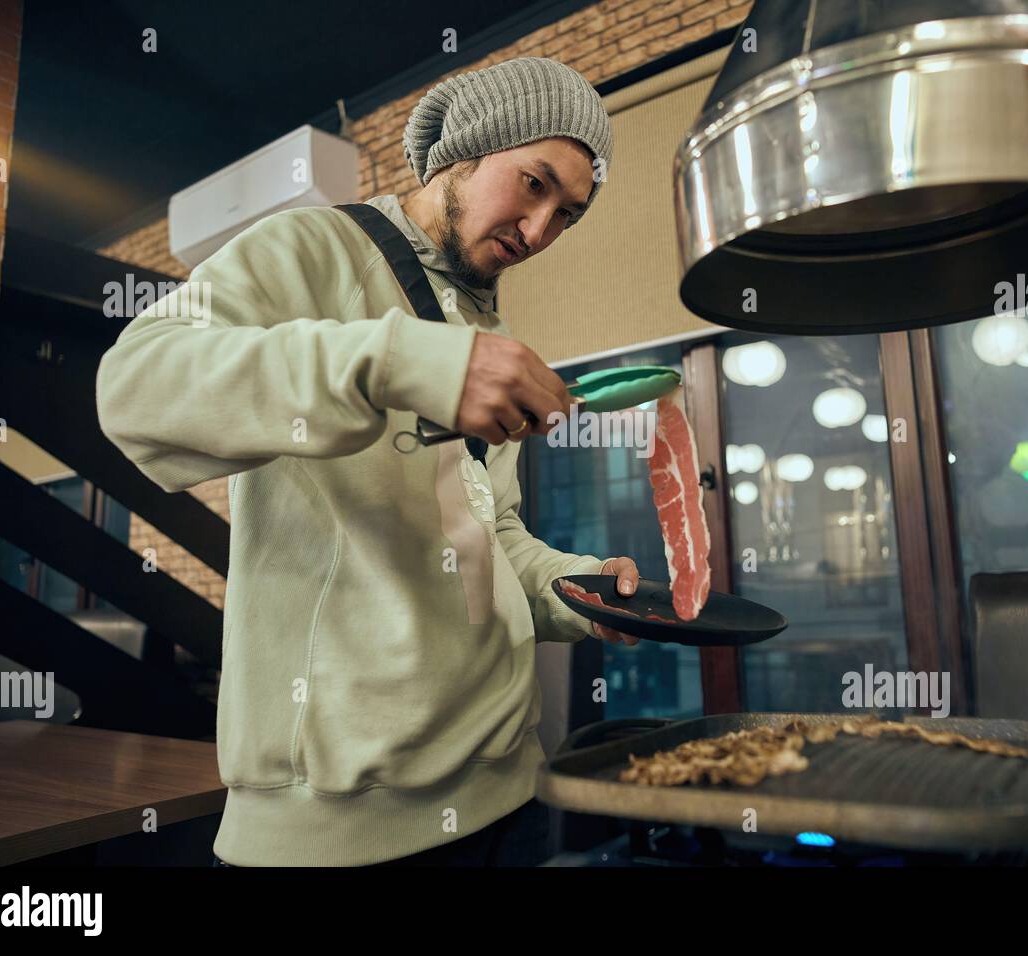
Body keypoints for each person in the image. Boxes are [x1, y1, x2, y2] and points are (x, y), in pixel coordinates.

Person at [96, 57, 643, 867]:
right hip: (341, 829)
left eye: (567, 215)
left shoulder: (480, 320)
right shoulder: (309, 248)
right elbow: (135, 388)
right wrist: (394, 359)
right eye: (533, 184)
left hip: (509, 785)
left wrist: (576, 589)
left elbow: (486, 535)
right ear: (464, 151)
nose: (539, 232)